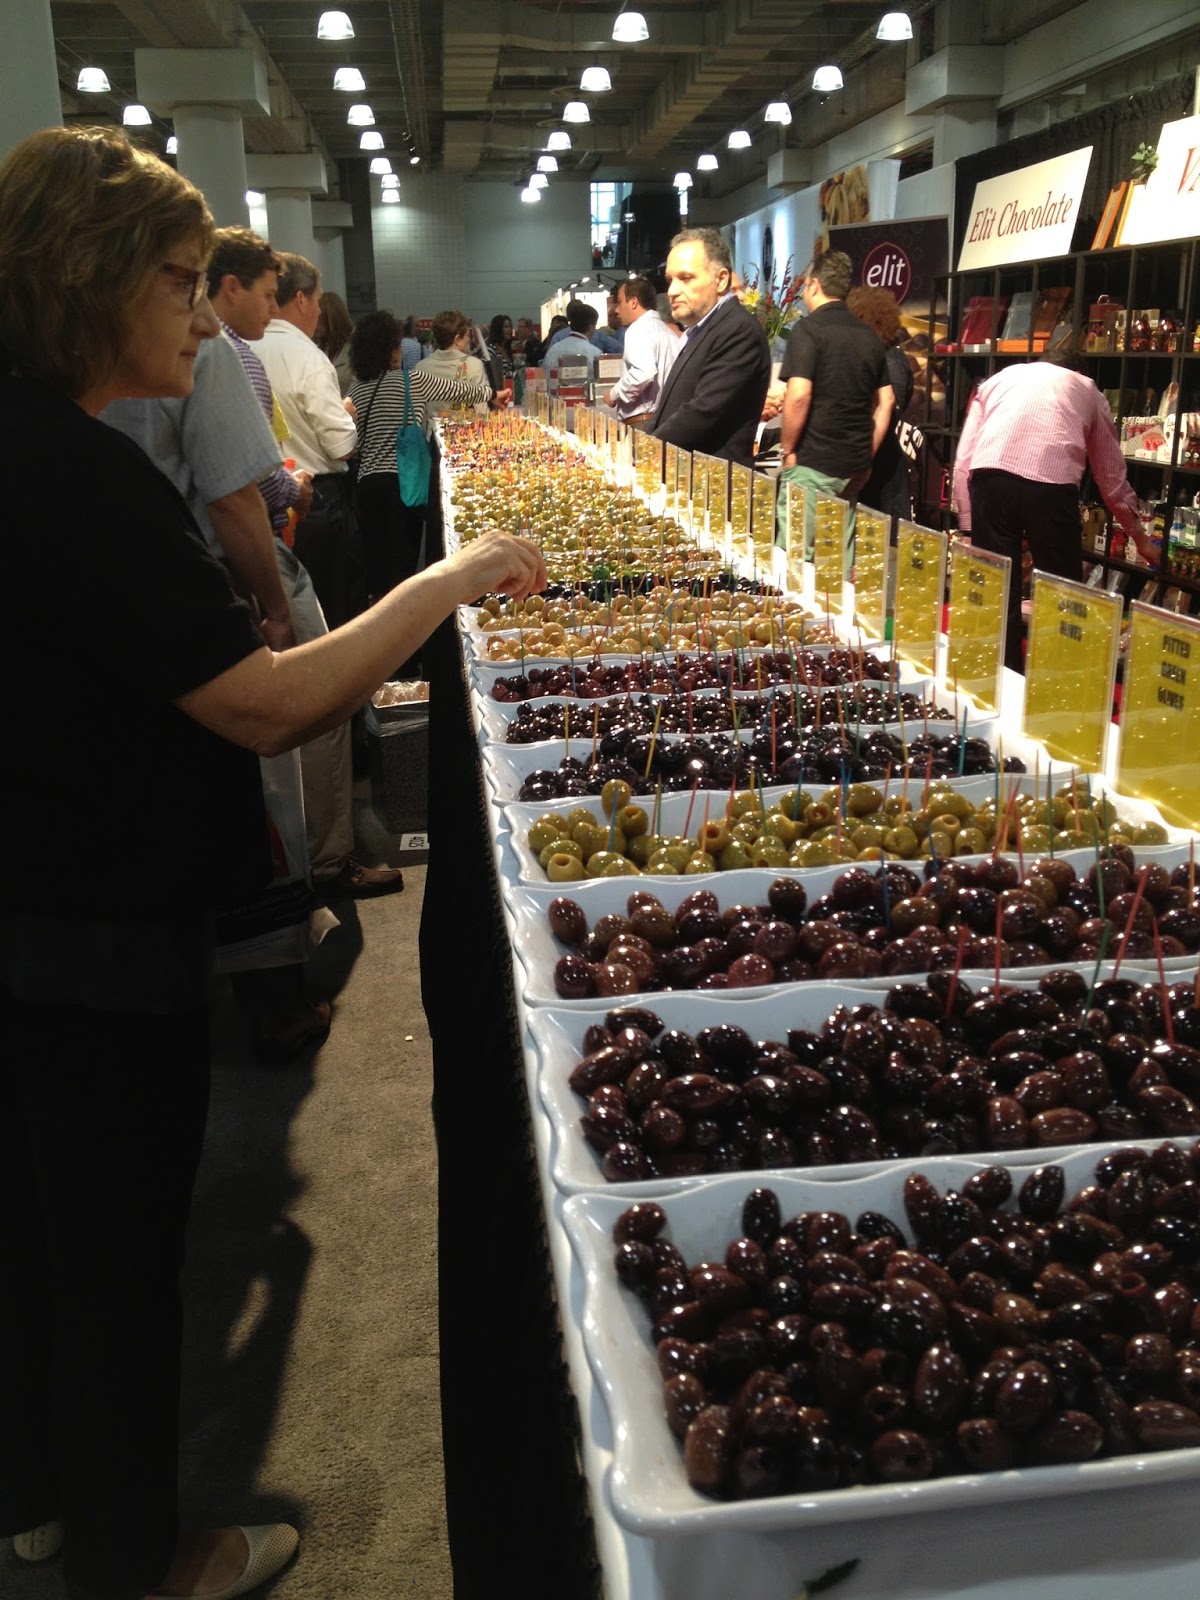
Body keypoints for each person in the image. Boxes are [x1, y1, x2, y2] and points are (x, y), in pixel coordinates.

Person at [0, 122, 545, 1600]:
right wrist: (446, 582)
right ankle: (141, 1557)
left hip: (33, 914)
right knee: (117, 1253)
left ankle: (41, 1499)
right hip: (97, 934)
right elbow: (267, 704)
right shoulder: (80, 473)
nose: (204, 313)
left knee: (39, 1241)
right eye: (178, 281)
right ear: (88, 277)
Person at [953, 350, 1156, 672]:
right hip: (1051, 486)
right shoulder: (1088, 388)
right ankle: (1055, 678)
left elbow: (964, 459)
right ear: (1078, 370)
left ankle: (1001, 676)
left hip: (988, 480)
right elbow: (1110, 476)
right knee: (1061, 592)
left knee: (998, 586)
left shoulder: (996, 381)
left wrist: (966, 527)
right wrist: (1140, 537)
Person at [347, 309, 498, 604]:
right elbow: (464, 391)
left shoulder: (355, 390)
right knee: (404, 567)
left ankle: (375, 620)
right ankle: (404, 629)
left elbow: (355, 442)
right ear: (392, 349)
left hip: (366, 486)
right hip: (406, 485)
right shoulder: (412, 381)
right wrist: (494, 394)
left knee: (376, 565)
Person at [252, 252, 362, 628]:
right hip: (314, 501)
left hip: (258, 505)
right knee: (330, 611)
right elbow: (340, 446)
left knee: (282, 614)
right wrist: (346, 414)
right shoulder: (306, 356)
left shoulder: (241, 348)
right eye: (316, 301)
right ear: (300, 299)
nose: (318, 312)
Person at [776, 249, 895, 564]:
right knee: (836, 564)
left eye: (804, 285)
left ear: (814, 285)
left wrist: (787, 449)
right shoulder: (869, 336)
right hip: (854, 468)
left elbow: (799, 395)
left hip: (813, 463)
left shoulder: (808, 330)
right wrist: (867, 452)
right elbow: (887, 401)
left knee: (795, 564)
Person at [648, 226, 770, 467]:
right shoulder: (702, 330)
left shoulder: (738, 329)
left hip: (713, 487)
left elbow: (703, 411)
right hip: (688, 479)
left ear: (721, 279)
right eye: (670, 280)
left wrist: (644, 449)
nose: (671, 291)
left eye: (685, 278)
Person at [845, 283, 916, 523]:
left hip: (879, 469)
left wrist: (862, 460)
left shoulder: (890, 360)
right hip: (870, 461)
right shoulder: (886, 356)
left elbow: (889, 409)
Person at [604, 275, 677, 428]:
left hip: (642, 422)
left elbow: (643, 373)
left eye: (619, 301)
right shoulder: (668, 332)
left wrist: (613, 394)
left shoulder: (638, 329)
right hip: (664, 419)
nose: (616, 309)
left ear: (634, 302)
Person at [423, 308, 490, 420]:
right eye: (468, 336)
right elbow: (481, 412)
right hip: (462, 432)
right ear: (457, 339)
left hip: (429, 434)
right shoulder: (473, 365)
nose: (469, 340)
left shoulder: (421, 366)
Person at [542, 299, 602, 396]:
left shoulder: (553, 350)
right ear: (590, 327)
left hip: (555, 406)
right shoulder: (595, 354)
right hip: (583, 407)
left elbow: (545, 376)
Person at [315, 288, 354, 394]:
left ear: (330, 319)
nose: (313, 323)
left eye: (317, 319)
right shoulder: (319, 348)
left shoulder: (356, 346)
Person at [487, 313, 514, 378]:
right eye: (506, 327)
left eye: (510, 326)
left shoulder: (507, 349)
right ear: (498, 329)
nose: (509, 329)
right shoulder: (491, 349)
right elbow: (487, 372)